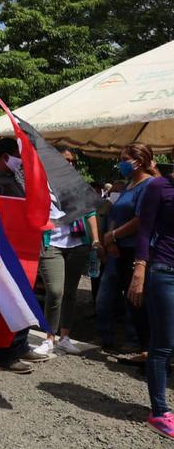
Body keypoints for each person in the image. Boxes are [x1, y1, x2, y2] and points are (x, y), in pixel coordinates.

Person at [0, 138, 49, 374]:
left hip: (23, 252)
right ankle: (5, 354)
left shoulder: (16, 178)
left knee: (23, 300)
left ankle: (20, 344)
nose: (21, 162)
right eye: (18, 156)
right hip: (1, 254)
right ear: (5, 157)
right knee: (6, 302)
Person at [32, 145, 101, 357]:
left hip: (77, 245)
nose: (69, 164)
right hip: (51, 243)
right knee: (55, 291)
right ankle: (49, 338)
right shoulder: (41, 184)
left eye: (72, 161)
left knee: (70, 293)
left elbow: (90, 212)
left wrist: (96, 240)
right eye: (65, 160)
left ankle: (64, 337)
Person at [98, 143, 157, 363]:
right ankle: (144, 349)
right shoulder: (129, 184)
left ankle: (149, 350)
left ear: (138, 161)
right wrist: (112, 238)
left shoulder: (149, 185)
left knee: (140, 300)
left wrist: (113, 235)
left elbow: (141, 220)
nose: (121, 163)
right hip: (121, 250)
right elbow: (116, 212)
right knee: (131, 301)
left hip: (137, 251)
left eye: (124, 158)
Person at [133, 150, 174, 438]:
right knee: (163, 345)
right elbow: (144, 231)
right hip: (163, 271)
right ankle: (159, 412)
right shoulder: (159, 186)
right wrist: (139, 271)